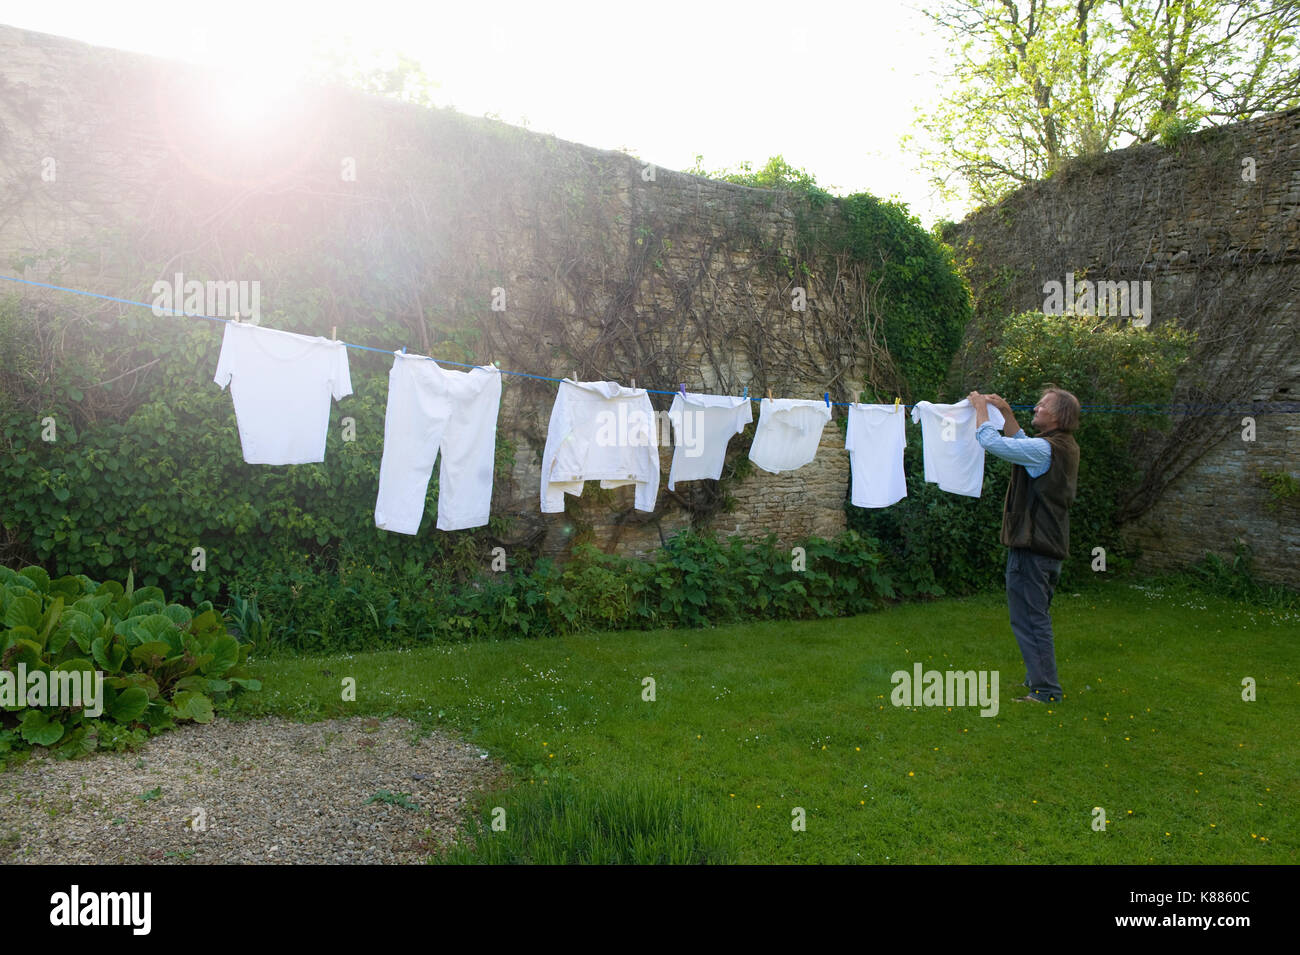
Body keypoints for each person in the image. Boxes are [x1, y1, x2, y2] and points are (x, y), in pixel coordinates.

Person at [968, 387, 1081, 704]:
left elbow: (992, 443)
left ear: (1056, 416)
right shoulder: (1057, 447)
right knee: (1033, 617)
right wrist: (1006, 414)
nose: (1036, 407)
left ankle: (1046, 691)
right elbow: (1022, 447)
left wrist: (980, 410)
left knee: (1031, 619)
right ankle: (1039, 680)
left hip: (1035, 547)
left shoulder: (1047, 450)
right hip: (1044, 545)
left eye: (1042, 405)